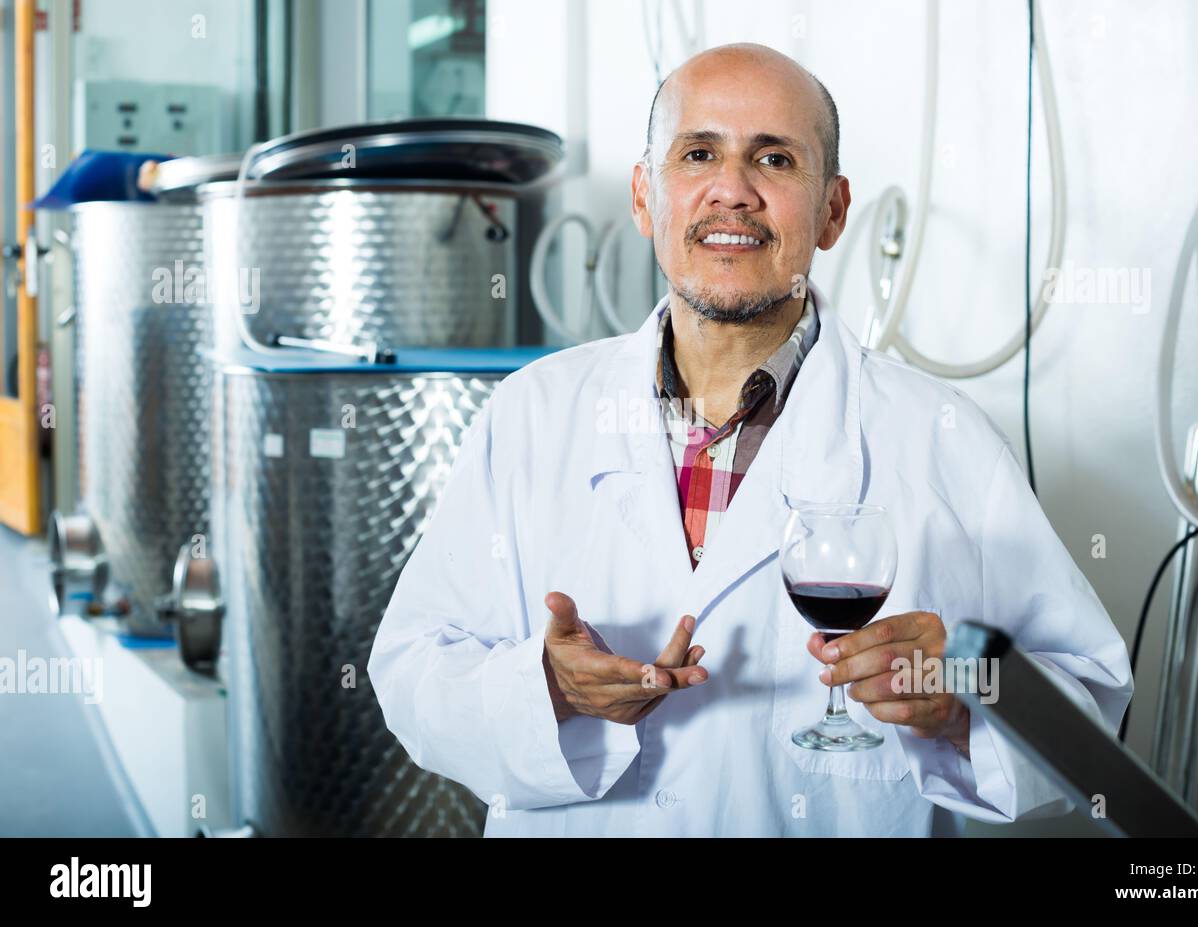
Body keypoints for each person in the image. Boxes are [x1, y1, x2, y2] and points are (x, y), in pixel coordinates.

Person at [369, 42, 1132, 836]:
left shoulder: (941, 442)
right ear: (644, 196)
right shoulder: (530, 414)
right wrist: (546, 689)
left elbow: (1092, 702)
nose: (732, 191)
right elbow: (412, 672)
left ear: (833, 210)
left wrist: (964, 697)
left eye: (774, 159)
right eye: (699, 153)